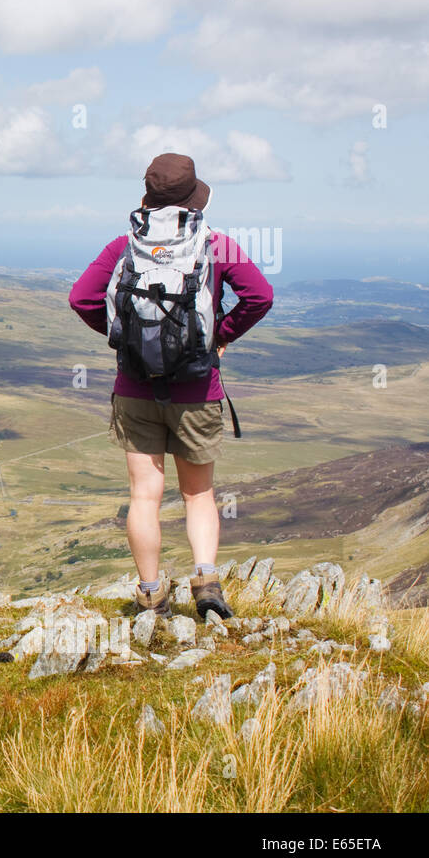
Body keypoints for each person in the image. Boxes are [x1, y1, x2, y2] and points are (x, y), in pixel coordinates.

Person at [69, 153, 273, 618]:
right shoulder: (215, 245)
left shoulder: (124, 246)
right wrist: (218, 337)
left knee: (144, 494)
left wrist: (124, 337)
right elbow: (261, 295)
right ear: (193, 197)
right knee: (198, 493)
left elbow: (80, 297)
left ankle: (150, 593)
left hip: (135, 388)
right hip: (197, 391)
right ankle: (206, 586)